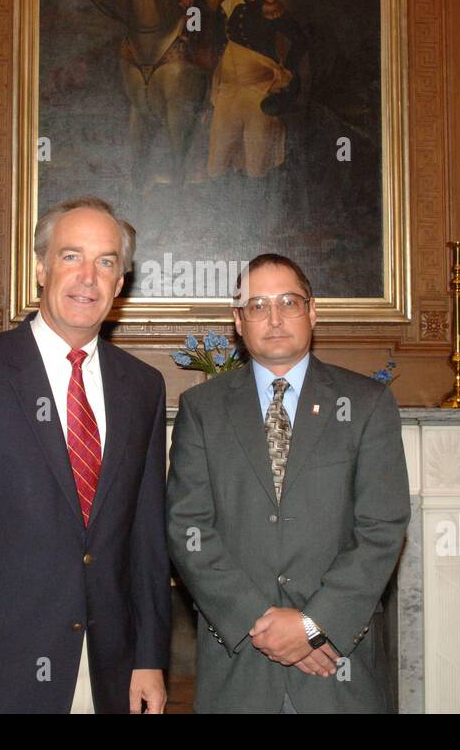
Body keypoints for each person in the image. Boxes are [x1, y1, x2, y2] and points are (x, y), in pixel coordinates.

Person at [0, 196, 170, 714]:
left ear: (120, 284)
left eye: (106, 262)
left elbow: (147, 537)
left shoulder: (143, 387)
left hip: (110, 674)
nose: (88, 277)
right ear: (41, 268)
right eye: (71, 256)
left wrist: (148, 658)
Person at [167, 253, 410, 712]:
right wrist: (262, 626)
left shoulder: (367, 403)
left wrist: (315, 626)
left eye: (288, 303)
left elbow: (382, 528)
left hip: (338, 667)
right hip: (238, 669)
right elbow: (187, 528)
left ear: (312, 311)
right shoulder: (202, 409)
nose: (274, 318)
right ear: (238, 321)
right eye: (257, 306)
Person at [180, 0, 308, 178]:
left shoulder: (265, 6)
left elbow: (299, 39)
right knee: (216, 165)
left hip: (258, 91)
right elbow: (192, 30)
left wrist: (286, 73)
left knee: (257, 165)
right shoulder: (214, 5)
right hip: (227, 91)